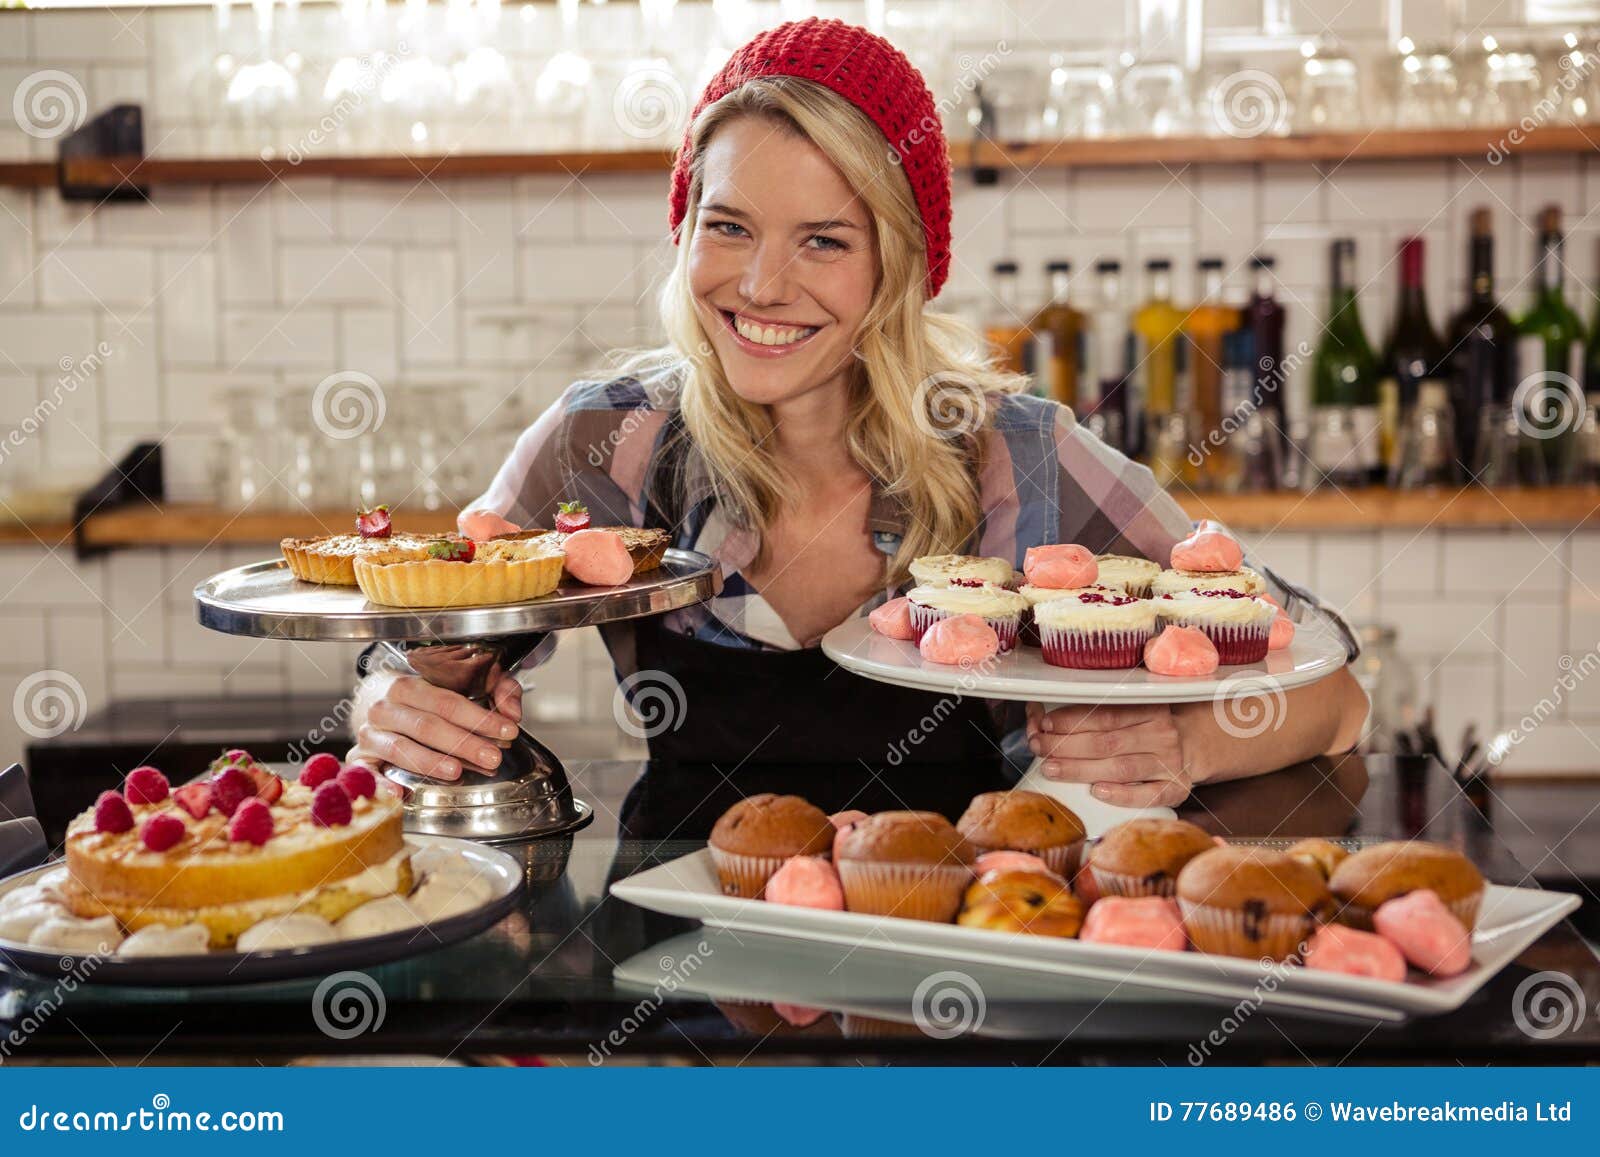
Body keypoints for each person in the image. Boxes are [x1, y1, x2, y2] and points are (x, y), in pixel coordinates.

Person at [346, 17, 1368, 808]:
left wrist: (1186, 743)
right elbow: (428, 644)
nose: (760, 283)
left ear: (901, 265)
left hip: (961, 980)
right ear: (683, 230)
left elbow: (1332, 695)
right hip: (676, 985)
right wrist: (388, 702)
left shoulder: (1017, 453)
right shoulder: (608, 440)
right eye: (728, 226)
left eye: (824, 241)